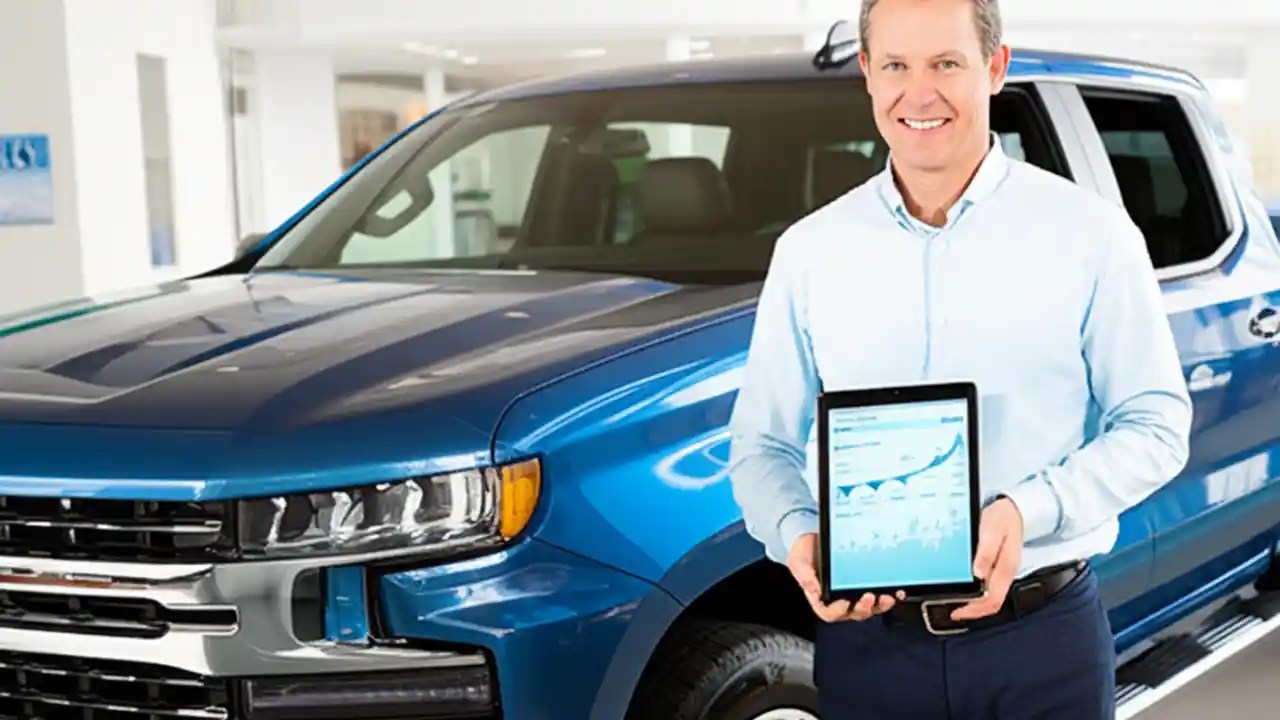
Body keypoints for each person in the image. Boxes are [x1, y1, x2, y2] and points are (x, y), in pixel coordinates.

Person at [726, 0, 1193, 717]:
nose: (921, 92)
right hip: (870, 649)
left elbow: (1157, 424)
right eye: (896, 66)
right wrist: (799, 534)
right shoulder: (811, 253)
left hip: (1041, 641)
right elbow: (761, 444)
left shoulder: (1090, 236)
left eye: (947, 63)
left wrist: (1026, 510)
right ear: (868, 77)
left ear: (995, 67)